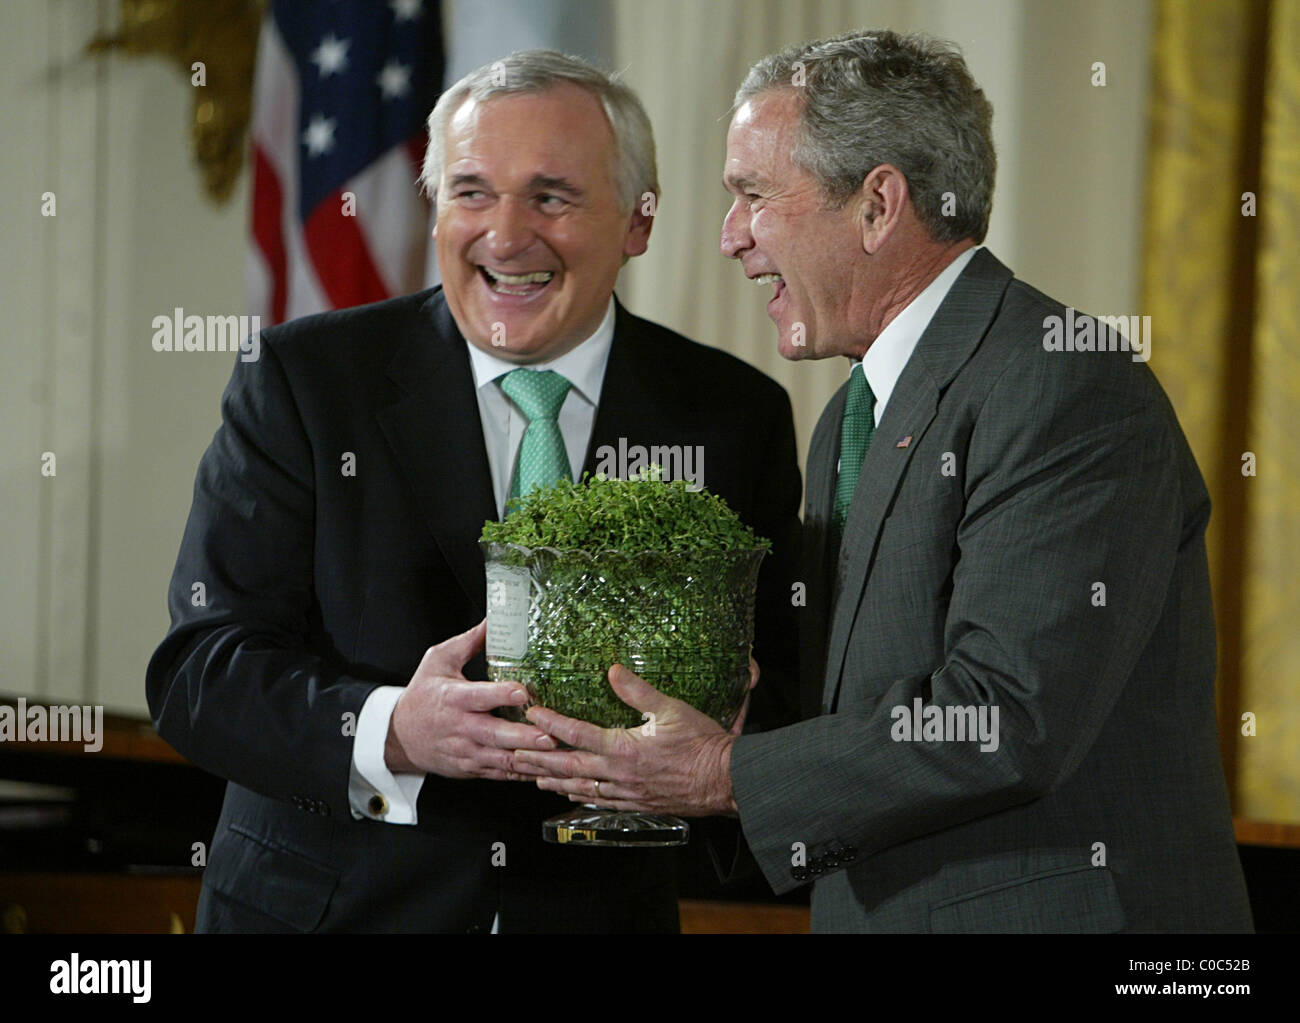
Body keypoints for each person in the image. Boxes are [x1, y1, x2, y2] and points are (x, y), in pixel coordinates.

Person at [513, 30, 1254, 932]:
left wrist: (723, 773)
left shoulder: (1065, 381)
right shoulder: (848, 418)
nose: (729, 237)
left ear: (877, 205)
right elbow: (863, 710)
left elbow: (1002, 717)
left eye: (752, 195)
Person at [146, 50, 801, 933]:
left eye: (551, 197)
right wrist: (395, 730)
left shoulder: (732, 415)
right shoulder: (307, 383)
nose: (504, 235)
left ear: (637, 221)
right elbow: (200, 671)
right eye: (471, 192)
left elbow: (783, 686)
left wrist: (725, 732)